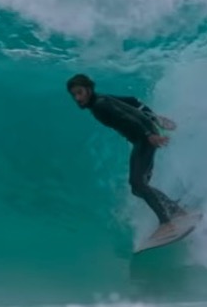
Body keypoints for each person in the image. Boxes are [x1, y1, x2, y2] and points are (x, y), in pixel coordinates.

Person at [66, 73, 185, 226]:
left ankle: (167, 222)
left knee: (138, 184)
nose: (77, 98)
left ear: (88, 89)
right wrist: (155, 119)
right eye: (73, 94)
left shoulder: (99, 106)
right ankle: (175, 210)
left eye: (79, 92)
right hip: (143, 136)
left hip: (144, 138)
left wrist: (149, 134)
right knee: (137, 188)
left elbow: (127, 117)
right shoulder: (102, 99)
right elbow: (133, 100)